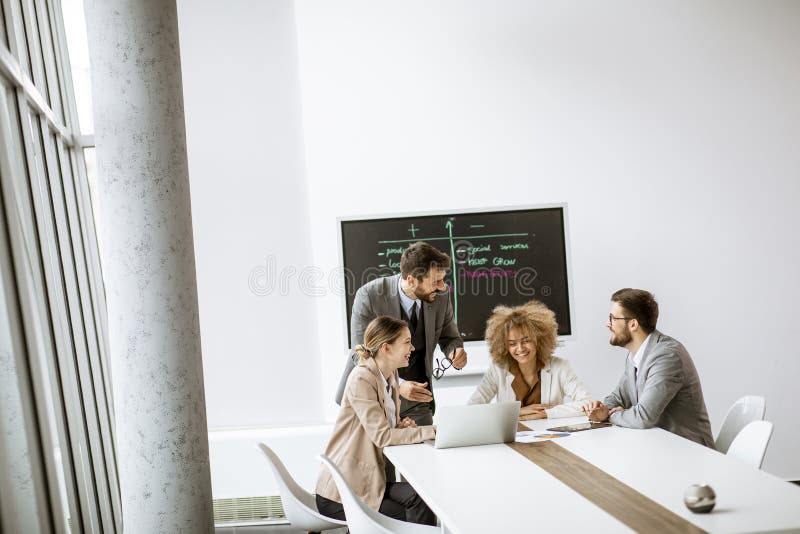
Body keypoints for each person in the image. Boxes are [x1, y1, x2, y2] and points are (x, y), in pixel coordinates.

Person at [316, 316, 437, 526]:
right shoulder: (362, 378)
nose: (412, 348)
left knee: (421, 498)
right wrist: (433, 431)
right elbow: (382, 436)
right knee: (414, 513)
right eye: (407, 342)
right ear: (386, 348)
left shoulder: (390, 375)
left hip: (367, 482)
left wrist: (400, 426)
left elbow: (381, 428)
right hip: (342, 493)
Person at [335, 241, 467, 426]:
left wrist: (455, 350)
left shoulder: (440, 297)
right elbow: (361, 353)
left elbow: (449, 336)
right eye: (435, 281)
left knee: (425, 443)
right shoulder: (369, 296)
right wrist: (398, 384)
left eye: (443, 279)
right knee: (378, 446)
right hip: (372, 396)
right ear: (411, 280)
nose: (442, 287)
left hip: (417, 400)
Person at [581, 288, 714, 447]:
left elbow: (643, 417)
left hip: (691, 450)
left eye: (613, 318)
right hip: (659, 446)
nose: (607, 324)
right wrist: (601, 409)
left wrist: (609, 416)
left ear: (633, 324)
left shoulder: (667, 356)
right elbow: (618, 397)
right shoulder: (634, 355)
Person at [468, 300, 591, 419]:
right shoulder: (498, 370)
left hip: (549, 432)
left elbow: (587, 403)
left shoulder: (560, 367)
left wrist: (545, 413)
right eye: (512, 344)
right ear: (504, 346)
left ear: (539, 340)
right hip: (512, 432)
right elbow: (472, 408)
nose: (520, 348)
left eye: (526, 341)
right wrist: (518, 412)